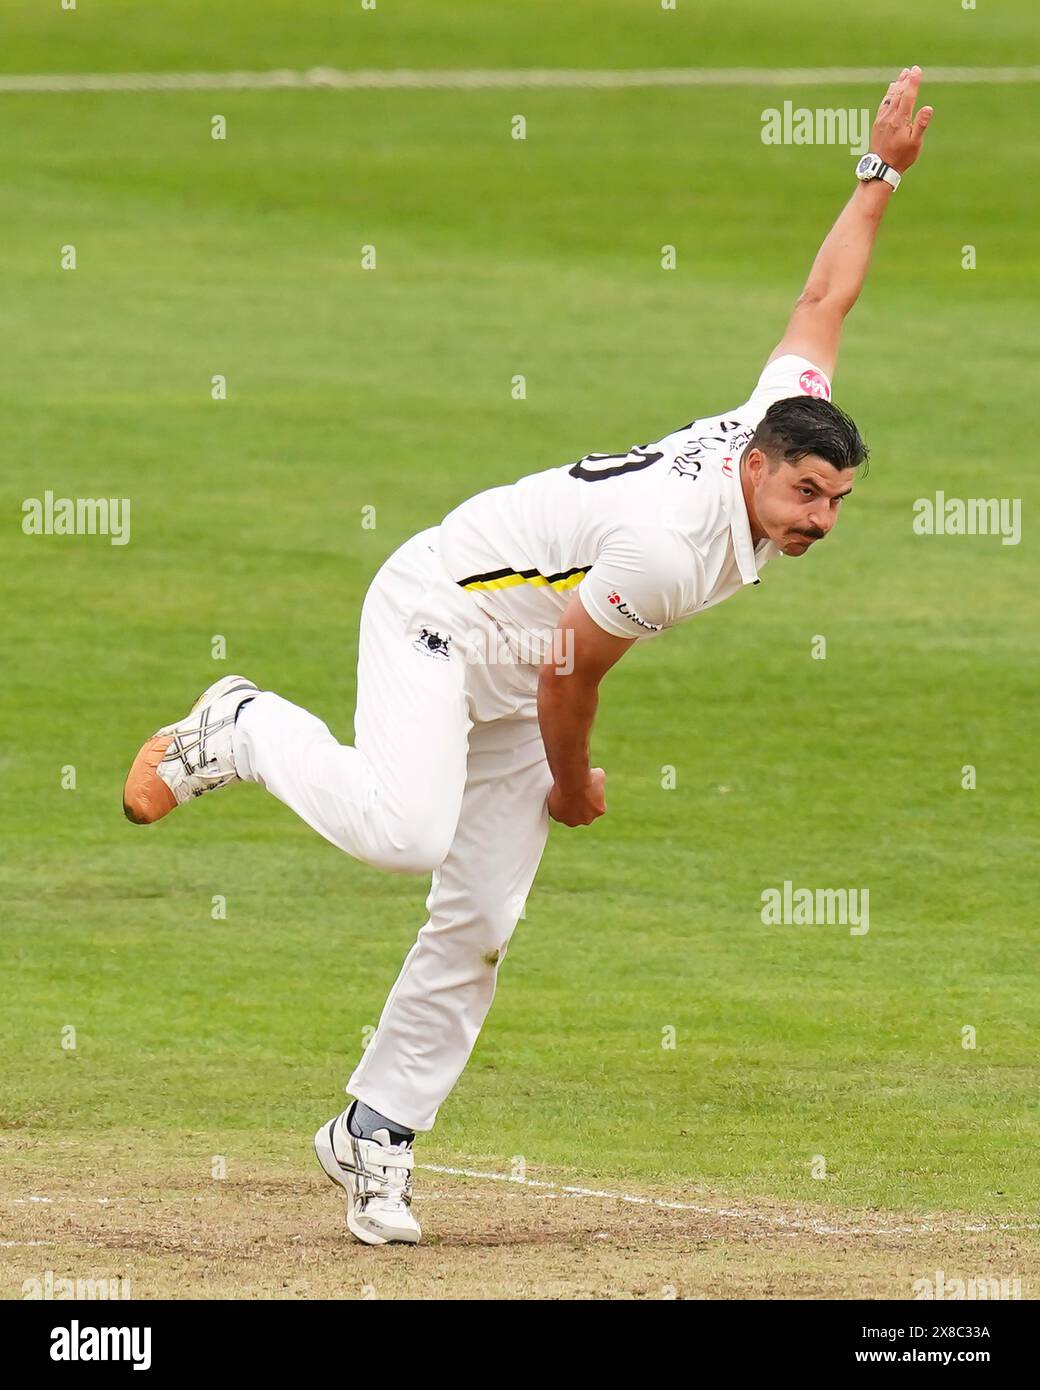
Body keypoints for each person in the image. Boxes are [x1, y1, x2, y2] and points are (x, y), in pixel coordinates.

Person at [123, 67, 933, 1246]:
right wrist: (568, 782)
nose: (819, 515)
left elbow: (822, 302)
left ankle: (373, 1135)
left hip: (516, 658)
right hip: (441, 615)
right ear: (755, 465)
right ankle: (241, 724)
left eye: (838, 499)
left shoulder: (778, 417)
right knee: (406, 835)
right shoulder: (665, 546)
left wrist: (878, 173)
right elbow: (570, 672)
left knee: (483, 913)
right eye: (806, 491)